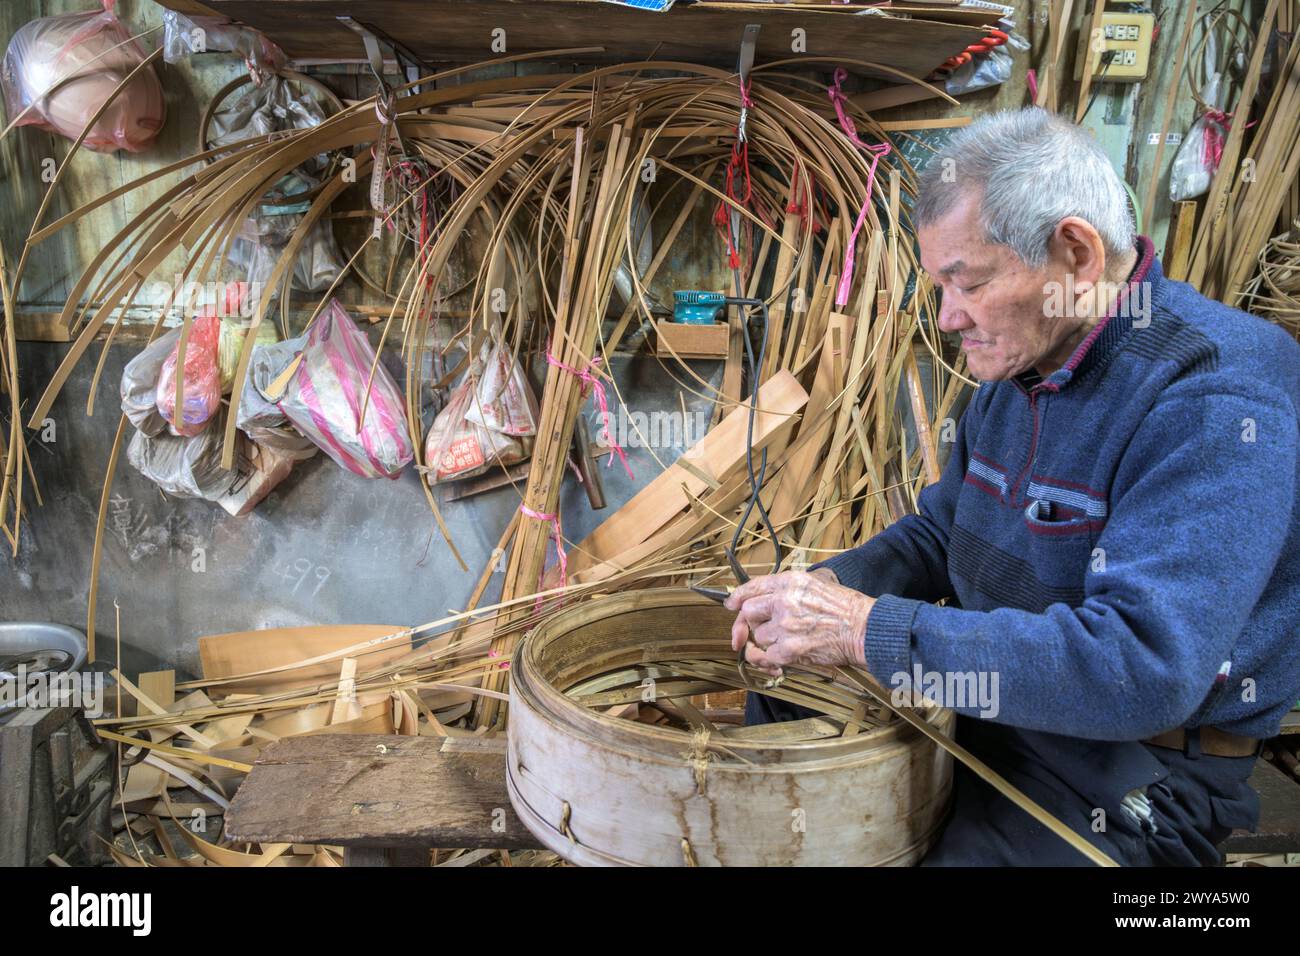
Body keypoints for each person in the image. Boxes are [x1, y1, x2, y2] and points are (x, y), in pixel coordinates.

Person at [726, 107, 1300, 866]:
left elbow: (1138, 669)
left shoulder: (1215, 395)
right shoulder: (1024, 357)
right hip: (992, 709)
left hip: (1131, 767)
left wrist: (866, 630)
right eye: (938, 285)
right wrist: (824, 591)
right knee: (781, 716)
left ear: (1075, 253)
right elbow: (941, 531)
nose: (946, 317)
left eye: (968, 283)